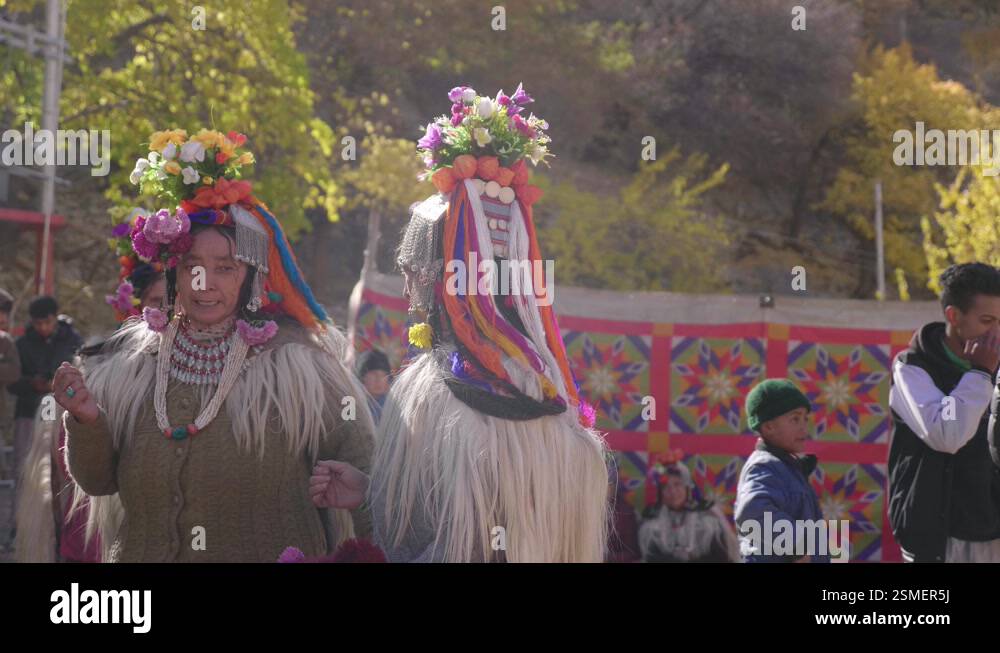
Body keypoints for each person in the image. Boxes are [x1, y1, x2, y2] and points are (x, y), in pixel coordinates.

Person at [53, 129, 376, 562]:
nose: (205, 283)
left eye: (224, 268)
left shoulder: (301, 367)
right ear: (173, 273)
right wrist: (88, 422)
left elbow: (366, 476)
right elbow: (99, 483)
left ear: (251, 277)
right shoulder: (131, 364)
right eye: (192, 267)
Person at [331, 84, 610, 562]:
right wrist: (370, 491)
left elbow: (419, 536)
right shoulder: (553, 395)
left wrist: (372, 498)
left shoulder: (433, 392)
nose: (410, 287)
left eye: (418, 271)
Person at [892, 262, 1000, 562]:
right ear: (954, 316)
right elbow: (947, 435)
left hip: (992, 531)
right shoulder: (913, 369)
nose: (997, 333)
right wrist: (980, 373)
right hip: (939, 540)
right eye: (987, 320)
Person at [6, 295, 81, 544]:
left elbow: (82, 374)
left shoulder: (72, 340)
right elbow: (12, 382)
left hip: (62, 413)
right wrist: (33, 383)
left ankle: (60, 526)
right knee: (24, 469)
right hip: (28, 412)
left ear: (55, 319)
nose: (42, 328)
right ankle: (21, 525)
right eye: (37, 323)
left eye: (46, 322)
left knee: (62, 469)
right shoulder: (22, 344)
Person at [734, 378, 829, 563]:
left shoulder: (790, 467)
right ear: (768, 426)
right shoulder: (764, 466)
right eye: (794, 419)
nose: (803, 426)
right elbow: (752, 511)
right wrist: (798, 547)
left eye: (805, 419)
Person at [638, 451, 740, 563]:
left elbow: (721, 558)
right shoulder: (652, 523)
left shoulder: (708, 519)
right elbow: (652, 558)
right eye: (666, 487)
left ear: (687, 488)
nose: (672, 491)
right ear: (660, 493)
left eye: (677, 484)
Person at [355, 348, 391, 422]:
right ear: (363, 377)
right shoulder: (350, 402)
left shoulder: (393, 406)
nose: (379, 380)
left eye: (383, 375)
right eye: (374, 374)